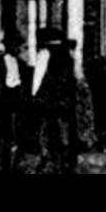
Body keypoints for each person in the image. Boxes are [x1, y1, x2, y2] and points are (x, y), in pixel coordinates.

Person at [32, 28, 78, 173]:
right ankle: (66, 162)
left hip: (48, 100)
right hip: (65, 99)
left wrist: (34, 96)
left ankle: (47, 159)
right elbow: (75, 77)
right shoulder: (68, 55)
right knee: (64, 130)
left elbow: (37, 79)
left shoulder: (45, 54)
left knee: (46, 130)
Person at [0, 30, 30, 173]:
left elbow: (26, 84)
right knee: (3, 134)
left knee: (18, 132)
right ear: (10, 46)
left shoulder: (22, 65)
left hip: (18, 99)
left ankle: (16, 163)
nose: (19, 49)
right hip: (3, 100)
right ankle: (4, 164)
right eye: (16, 46)